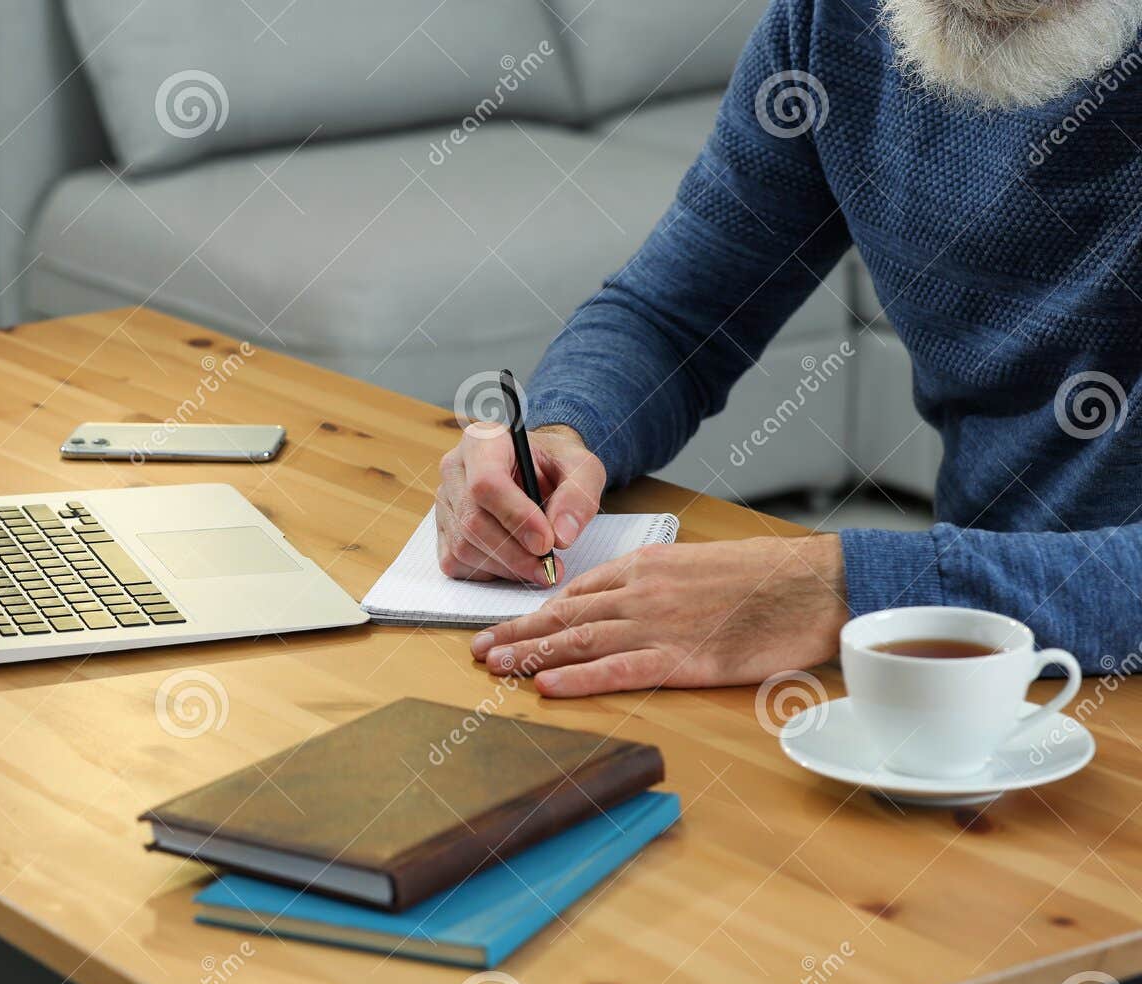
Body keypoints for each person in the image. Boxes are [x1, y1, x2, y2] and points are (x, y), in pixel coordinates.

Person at [436, 0, 1142, 697]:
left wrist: (837, 588)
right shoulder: (832, 23)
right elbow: (674, 315)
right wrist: (563, 432)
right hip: (974, 662)